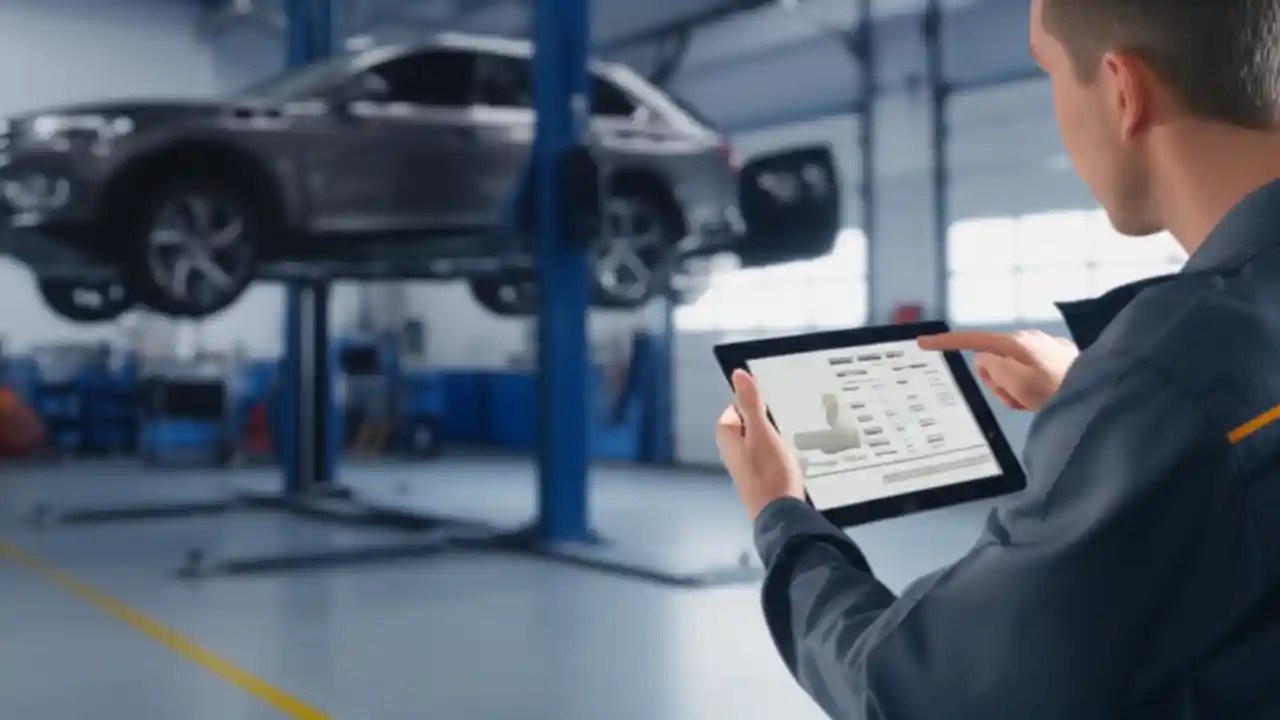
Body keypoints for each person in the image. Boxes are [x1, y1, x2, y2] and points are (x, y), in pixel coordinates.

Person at [716, 1, 1280, 717]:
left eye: (1046, 69)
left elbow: (924, 692)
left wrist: (780, 512)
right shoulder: (1192, 370)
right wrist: (1100, 391)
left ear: (1121, 91)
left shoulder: (1172, 374)